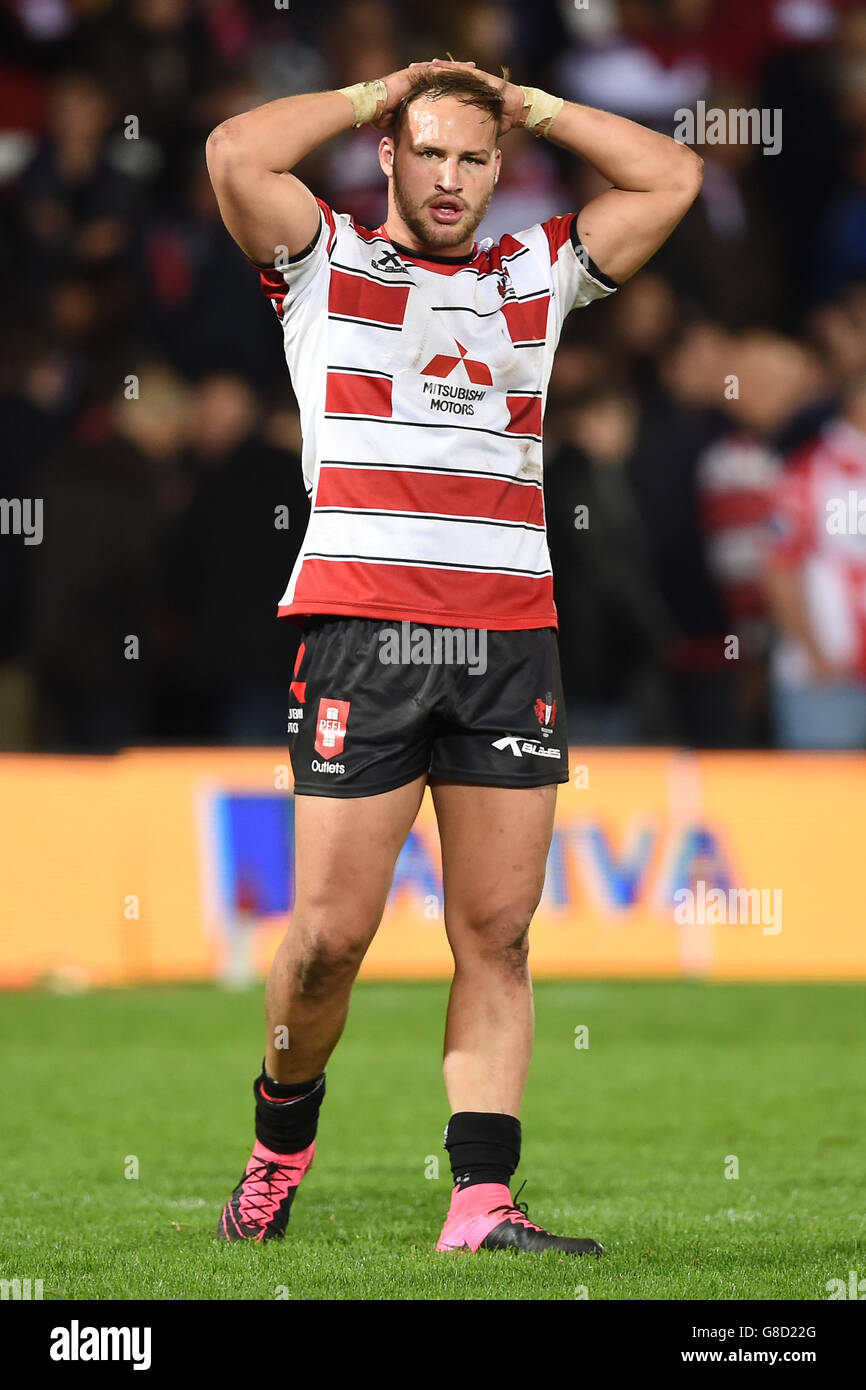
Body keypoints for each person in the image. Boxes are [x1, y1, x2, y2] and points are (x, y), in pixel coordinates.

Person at [205, 57, 702, 1254]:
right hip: (360, 636)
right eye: (425, 151)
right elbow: (233, 155)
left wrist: (530, 106)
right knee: (327, 942)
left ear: (500, 168)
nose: (447, 176)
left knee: (497, 932)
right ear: (387, 155)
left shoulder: (531, 272)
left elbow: (673, 173)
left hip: (506, 639)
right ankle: (278, 1147)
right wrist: (381, 91)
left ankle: (480, 1201)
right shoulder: (323, 259)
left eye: (473, 157)